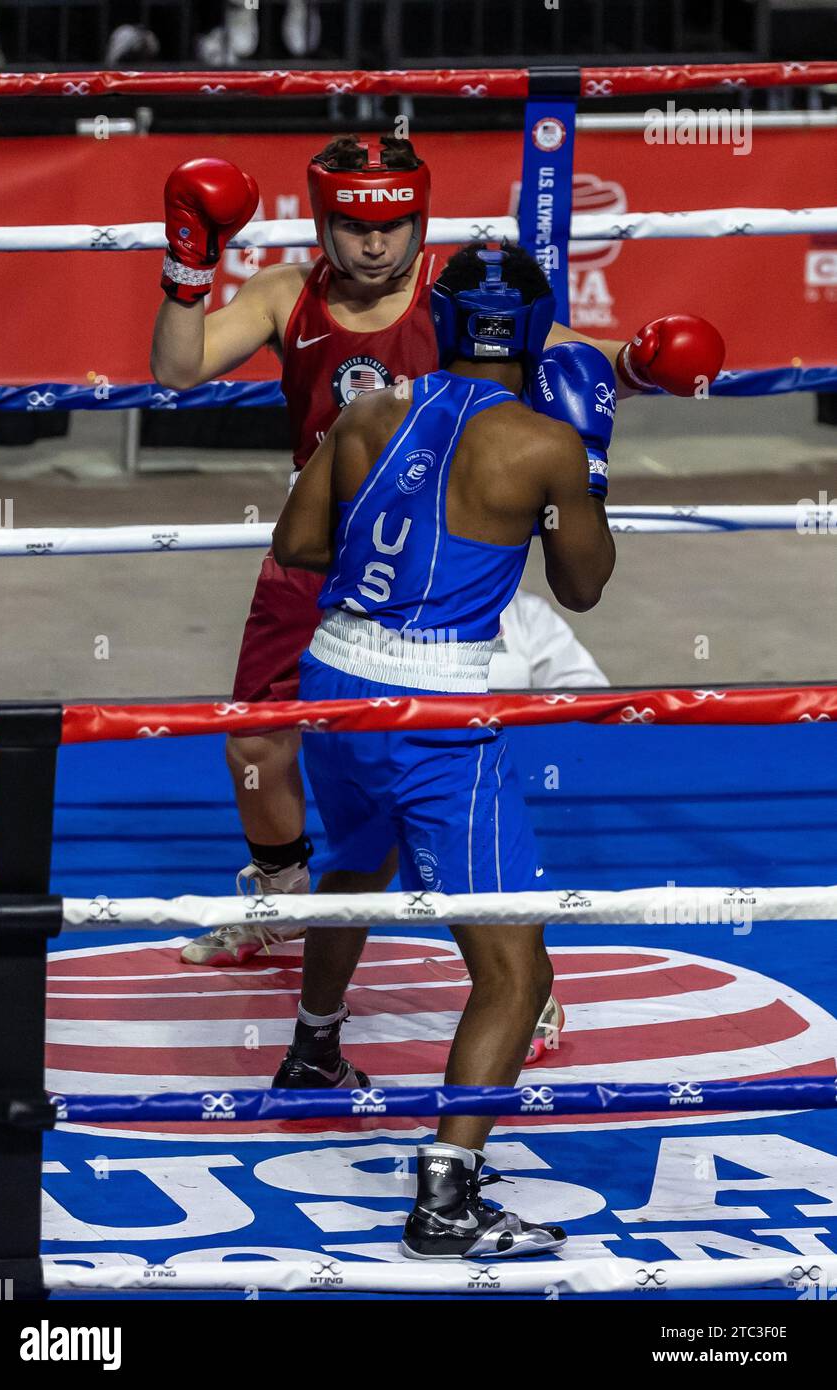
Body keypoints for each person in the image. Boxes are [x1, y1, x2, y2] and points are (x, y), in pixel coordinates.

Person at [149, 136, 724, 968]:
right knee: (256, 741)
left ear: (421, 218)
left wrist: (635, 365)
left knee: (434, 767)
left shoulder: (457, 301)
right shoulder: (285, 294)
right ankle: (283, 901)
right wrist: (188, 263)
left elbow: (572, 356)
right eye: (352, 226)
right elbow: (176, 369)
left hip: (428, 565)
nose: (374, 244)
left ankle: (510, 968)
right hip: (314, 546)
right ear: (321, 219)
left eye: (395, 225)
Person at [268, 243, 619, 1259]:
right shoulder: (544, 444)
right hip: (435, 701)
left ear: (447, 320)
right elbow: (585, 587)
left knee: (356, 858)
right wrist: (586, 461)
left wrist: (406, 534)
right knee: (515, 967)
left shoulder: (370, 407)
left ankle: (314, 1049)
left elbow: (296, 547)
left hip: (333, 679)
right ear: (540, 327)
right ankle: (446, 1197)